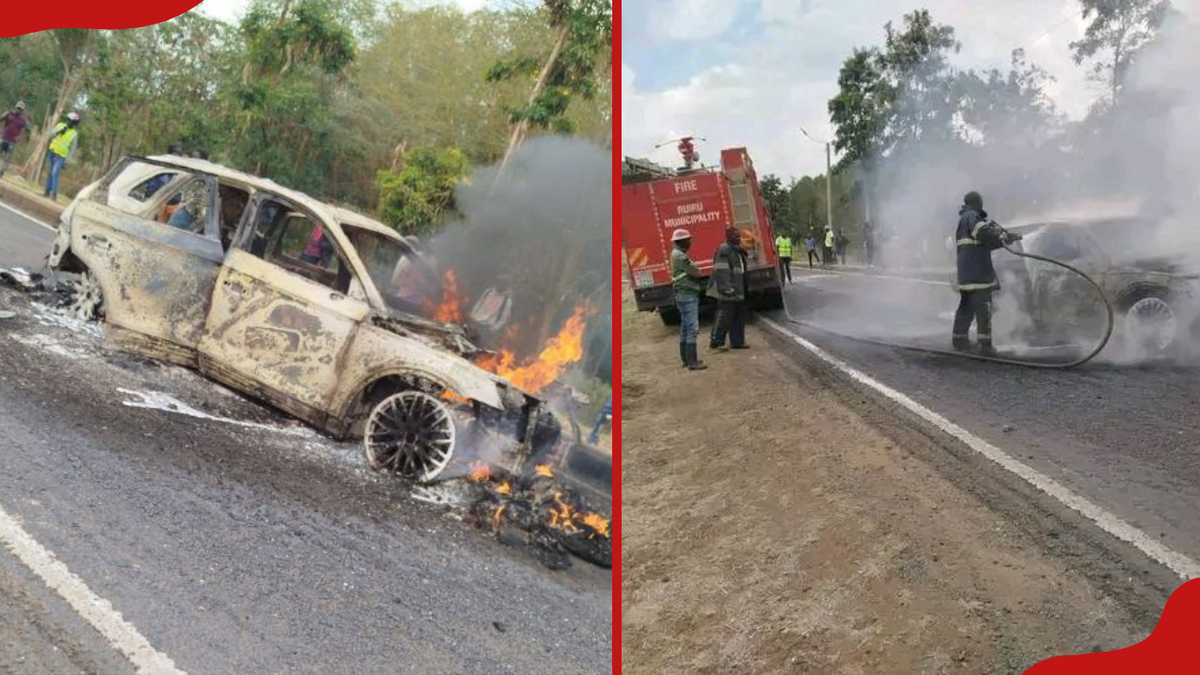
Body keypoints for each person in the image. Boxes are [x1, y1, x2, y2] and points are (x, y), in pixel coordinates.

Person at [952, 191, 1020, 356]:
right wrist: (1003, 236)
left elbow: (984, 243)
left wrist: (1005, 238)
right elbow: (983, 234)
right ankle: (985, 347)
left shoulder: (965, 219)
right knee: (983, 308)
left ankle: (959, 341)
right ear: (976, 203)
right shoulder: (972, 216)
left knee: (966, 307)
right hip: (978, 272)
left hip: (967, 273)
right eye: (980, 202)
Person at [670, 227, 708, 370]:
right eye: (688, 240)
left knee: (685, 327)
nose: (690, 242)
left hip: (682, 294)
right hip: (687, 295)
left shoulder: (676, 253)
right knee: (692, 328)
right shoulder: (681, 256)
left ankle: (686, 360)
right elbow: (696, 272)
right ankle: (692, 362)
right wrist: (698, 272)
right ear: (682, 241)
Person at [709, 226, 749, 351]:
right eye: (735, 236)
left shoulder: (736, 250)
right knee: (724, 317)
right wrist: (727, 289)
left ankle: (737, 342)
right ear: (729, 237)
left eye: (739, 236)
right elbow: (721, 270)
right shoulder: (724, 250)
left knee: (738, 316)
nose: (738, 238)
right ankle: (716, 343)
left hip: (738, 290)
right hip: (729, 291)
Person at [44, 111, 80, 199]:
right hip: (52, 151)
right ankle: (47, 192)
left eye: (72, 122)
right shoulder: (60, 125)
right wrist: (59, 131)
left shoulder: (74, 134)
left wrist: (67, 161)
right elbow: (50, 135)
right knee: (50, 172)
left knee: (54, 173)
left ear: (74, 123)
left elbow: (73, 149)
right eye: (69, 120)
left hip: (61, 156)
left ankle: (54, 195)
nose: (69, 123)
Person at [0, 101, 32, 177]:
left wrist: (27, 138)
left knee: (7, 158)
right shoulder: (9, 114)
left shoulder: (23, 120)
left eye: (20, 109)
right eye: (18, 108)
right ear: (15, 107)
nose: (19, 110)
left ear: (23, 110)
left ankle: (1, 172)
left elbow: (29, 129)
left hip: (12, 141)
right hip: (3, 138)